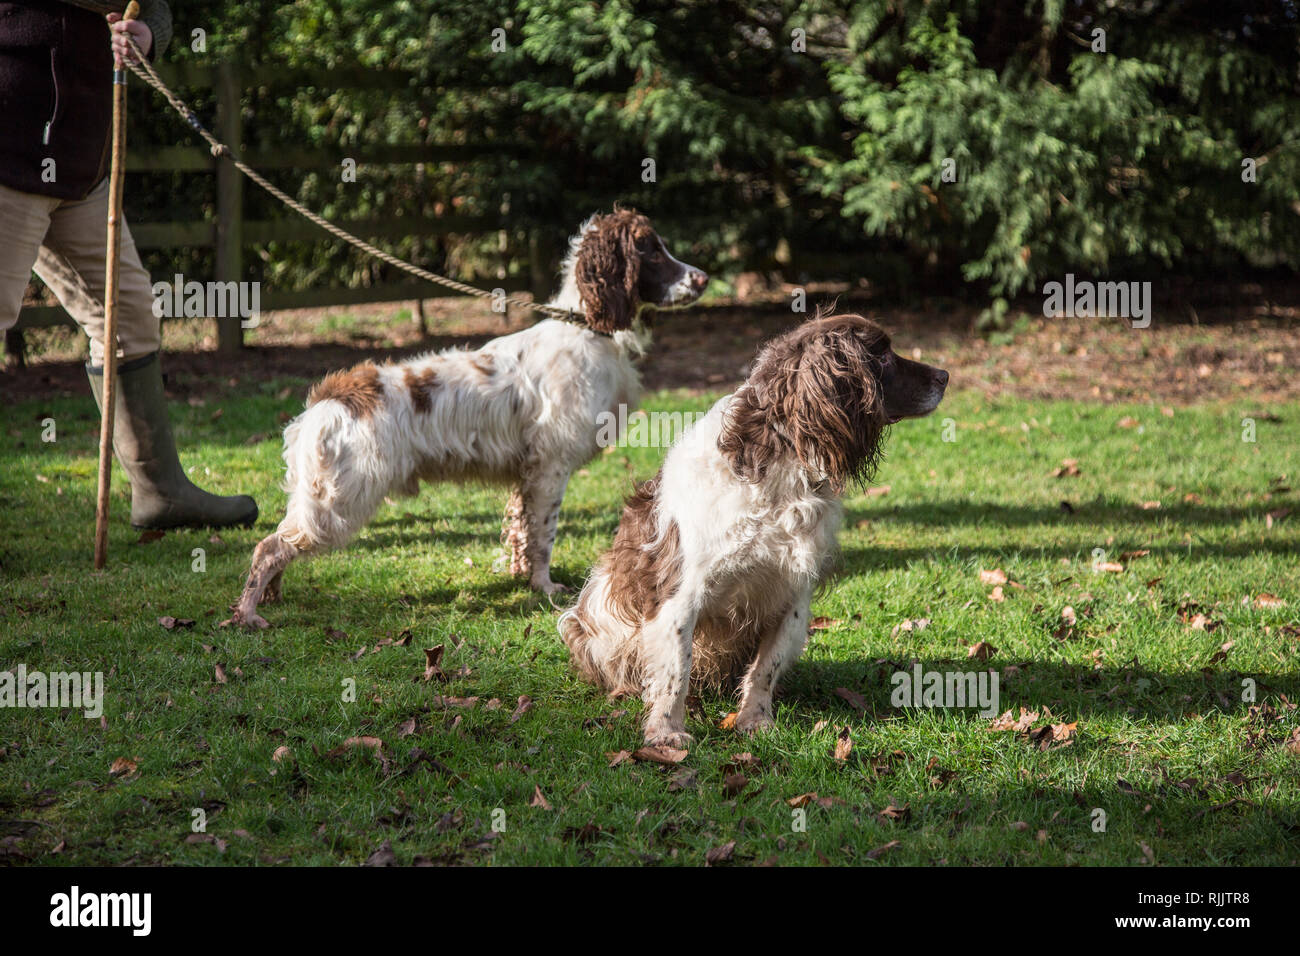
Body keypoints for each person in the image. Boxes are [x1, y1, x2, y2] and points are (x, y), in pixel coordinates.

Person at [0, 0, 257, 529]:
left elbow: (155, 5)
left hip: (82, 168)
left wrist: (148, 34)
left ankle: (160, 492)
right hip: (9, 155)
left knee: (131, 319)